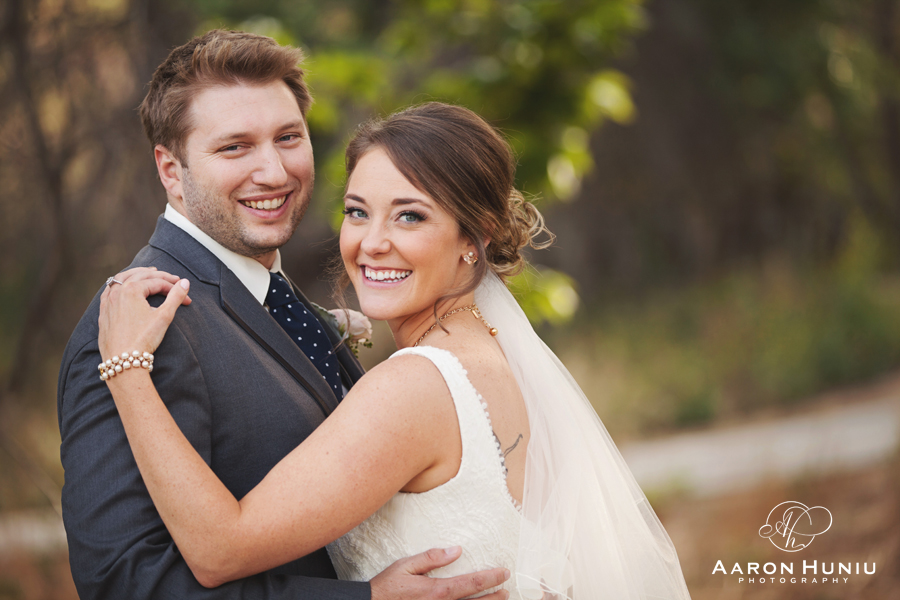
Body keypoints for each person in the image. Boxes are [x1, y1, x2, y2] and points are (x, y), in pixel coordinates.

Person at [96, 102, 694, 599]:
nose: (371, 243)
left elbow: (219, 550)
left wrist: (127, 372)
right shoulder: (492, 354)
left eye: (409, 217)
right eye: (358, 212)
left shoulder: (415, 386)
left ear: (474, 236)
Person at [57, 30, 509, 600]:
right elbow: (126, 583)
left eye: (288, 137)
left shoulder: (280, 296)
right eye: (234, 147)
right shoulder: (140, 326)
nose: (273, 171)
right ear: (171, 171)